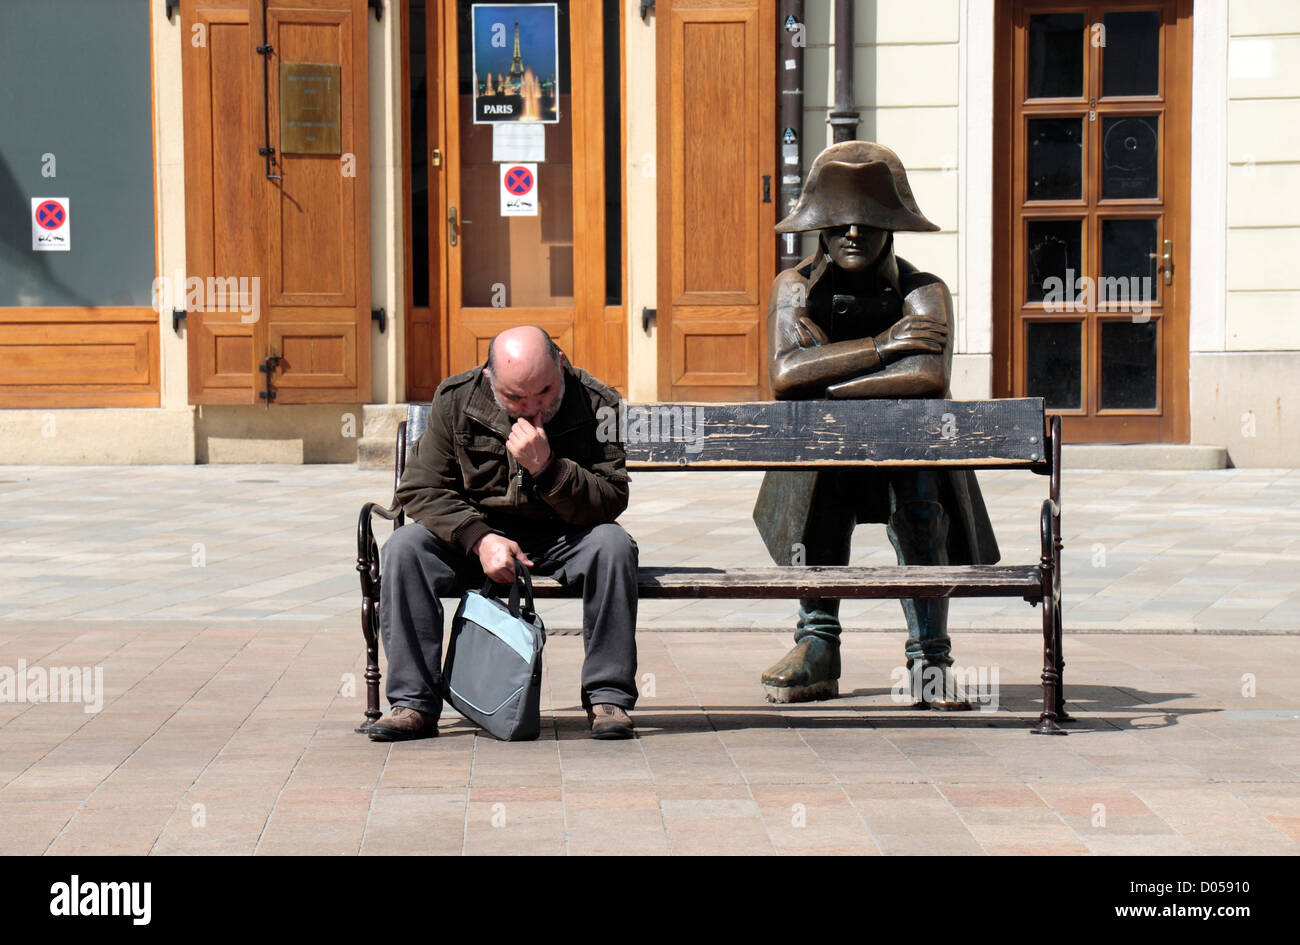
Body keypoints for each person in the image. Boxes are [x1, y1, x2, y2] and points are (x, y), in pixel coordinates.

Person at [752, 141, 1001, 707]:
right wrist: (884, 345)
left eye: (869, 220)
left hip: (908, 451)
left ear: (892, 225)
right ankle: (817, 643)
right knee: (819, 490)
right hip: (824, 455)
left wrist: (828, 378)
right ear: (820, 224)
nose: (854, 233)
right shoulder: (794, 289)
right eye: (839, 220)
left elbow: (927, 379)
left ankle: (929, 659)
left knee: (920, 506)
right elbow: (785, 375)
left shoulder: (924, 291)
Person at [370, 326, 639, 741]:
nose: (533, 409)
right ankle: (413, 704)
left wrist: (549, 469)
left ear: (562, 365)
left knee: (613, 546)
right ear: (488, 379)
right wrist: (479, 538)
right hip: (476, 539)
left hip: (563, 536)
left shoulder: (599, 404)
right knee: (405, 547)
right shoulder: (457, 399)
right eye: (515, 397)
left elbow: (610, 498)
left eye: (546, 392)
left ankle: (608, 697)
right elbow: (420, 489)